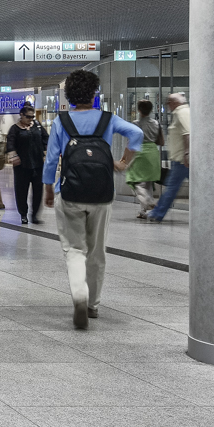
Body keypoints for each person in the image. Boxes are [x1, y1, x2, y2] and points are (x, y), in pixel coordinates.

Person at [42, 68, 142, 329]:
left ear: (69, 96)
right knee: (96, 251)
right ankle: (93, 305)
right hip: (101, 194)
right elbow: (137, 134)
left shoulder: (61, 122)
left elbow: (52, 159)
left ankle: (79, 295)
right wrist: (122, 162)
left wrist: (48, 189)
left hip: (70, 192)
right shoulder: (108, 119)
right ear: (94, 93)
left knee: (74, 249)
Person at [148, 91, 191, 223]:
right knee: (173, 187)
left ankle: (157, 213)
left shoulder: (181, 112)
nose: (167, 105)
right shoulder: (182, 111)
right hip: (180, 159)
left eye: (168, 102)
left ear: (174, 102)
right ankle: (157, 212)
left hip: (182, 160)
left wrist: (187, 153)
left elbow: (188, 132)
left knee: (172, 187)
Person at [7, 103, 49, 224]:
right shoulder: (14, 129)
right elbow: (10, 144)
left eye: (32, 117)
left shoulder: (37, 126)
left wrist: (46, 151)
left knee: (38, 190)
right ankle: (23, 214)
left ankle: (34, 215)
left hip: (37, 164)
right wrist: (13, 155)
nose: (31, 119)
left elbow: (46, 138)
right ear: (21, 115)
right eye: (28, 117)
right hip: (22, 166)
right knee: (21, 191)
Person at [127, 98, 165, 216]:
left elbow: (131, 142)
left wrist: (126, 158)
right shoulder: (156, 123)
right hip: (153, 153)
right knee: (148, 183)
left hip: (140, 153)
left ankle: (148, 202)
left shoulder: (135, 124)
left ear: (139, 110)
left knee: (134, 179)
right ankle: (143, 211)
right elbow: (162, 142)